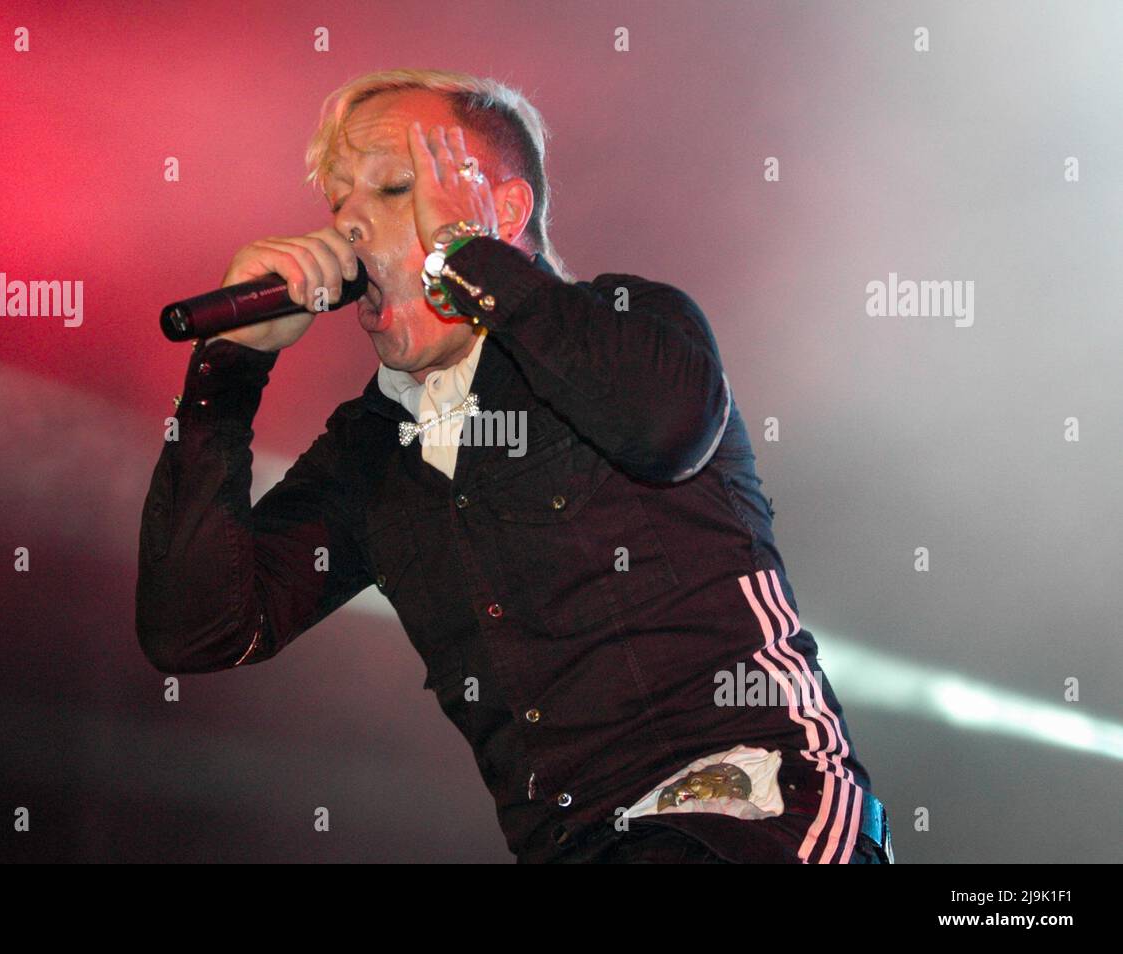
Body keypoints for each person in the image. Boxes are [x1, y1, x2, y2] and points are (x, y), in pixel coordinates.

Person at [135, 68, 892, 864]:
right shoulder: (369, 451)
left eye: (395, 189)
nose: (351, 228)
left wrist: (467, 253)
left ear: (502, 209)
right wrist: (228, 372)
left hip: (750, 817)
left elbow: (663, 428)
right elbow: (198, 629)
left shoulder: (630, 324)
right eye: (337, 205)